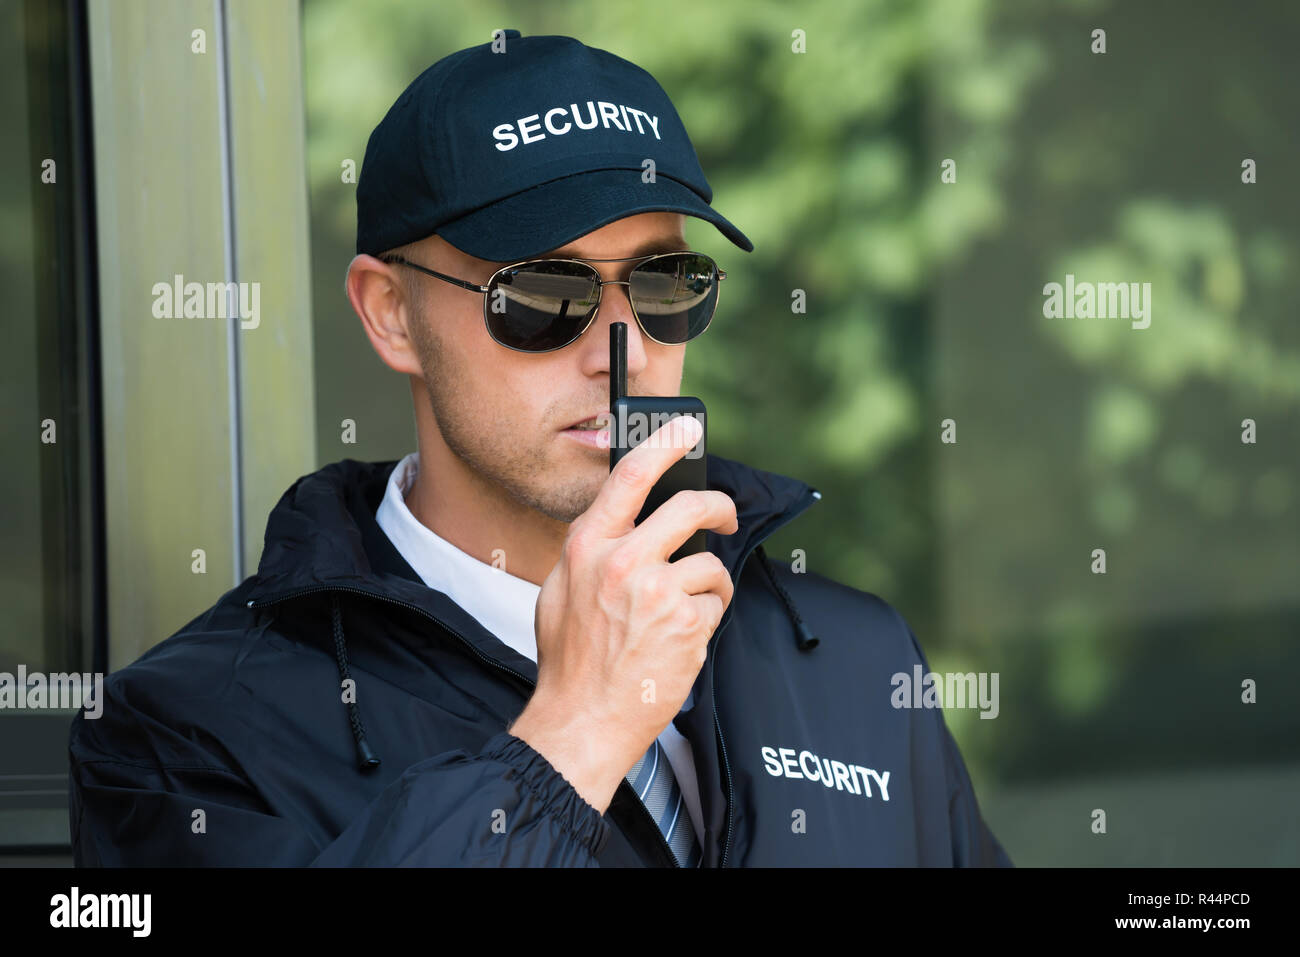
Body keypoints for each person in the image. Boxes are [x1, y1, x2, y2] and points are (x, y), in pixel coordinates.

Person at [69, 29, 1010, 867]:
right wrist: (577, 729)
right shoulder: (187, 735)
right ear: (391, 314)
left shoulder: (849, 653)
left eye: (665, 282)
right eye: (543, 295)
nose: (625, 350)